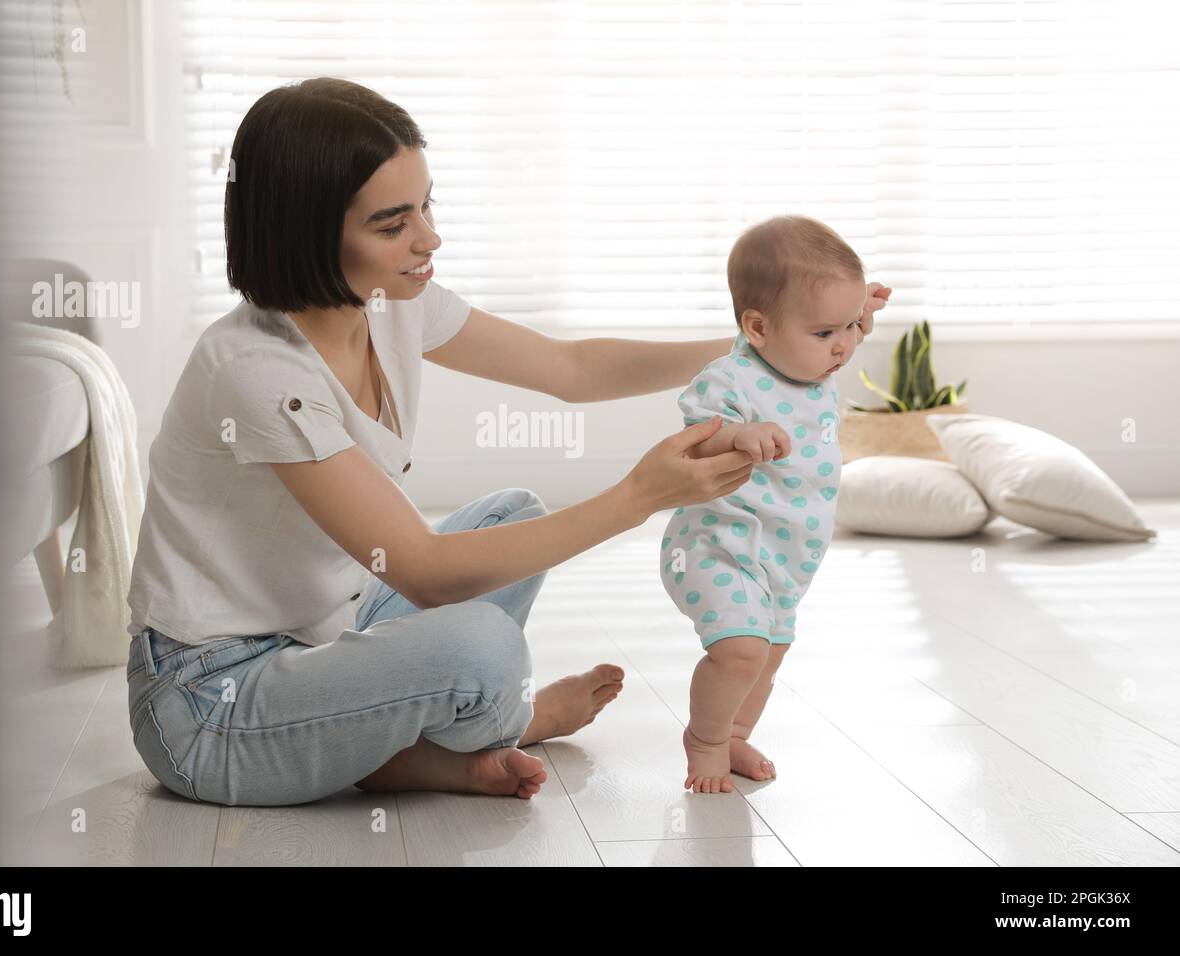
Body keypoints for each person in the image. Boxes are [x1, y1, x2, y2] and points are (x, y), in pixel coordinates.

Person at [125, 78, 891, 806]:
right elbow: (424, 574)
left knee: (510, 514)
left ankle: (395, 744)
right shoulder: (258, 372)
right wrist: (639, 498)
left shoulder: (391, 304)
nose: (430, 237)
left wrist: (771, 345)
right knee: (481, 646)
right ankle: (488, 727)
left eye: (426, 206)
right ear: (305, 232)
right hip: (210, 701)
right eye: (393, 224)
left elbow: (572, 368)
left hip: (327, 629)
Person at [661, 215, 890, 792]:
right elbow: (696, 439)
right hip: (719, 547)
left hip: (788, 559)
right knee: (741, 651)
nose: (844, 345)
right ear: (758, 327)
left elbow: (839, 326)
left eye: (850, 328)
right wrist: (737, 435)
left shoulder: (812, 363)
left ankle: (735, 733)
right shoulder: (731, 379)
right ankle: (706, 739)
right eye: (825, 333)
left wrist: (862, 311)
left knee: (769, 655)